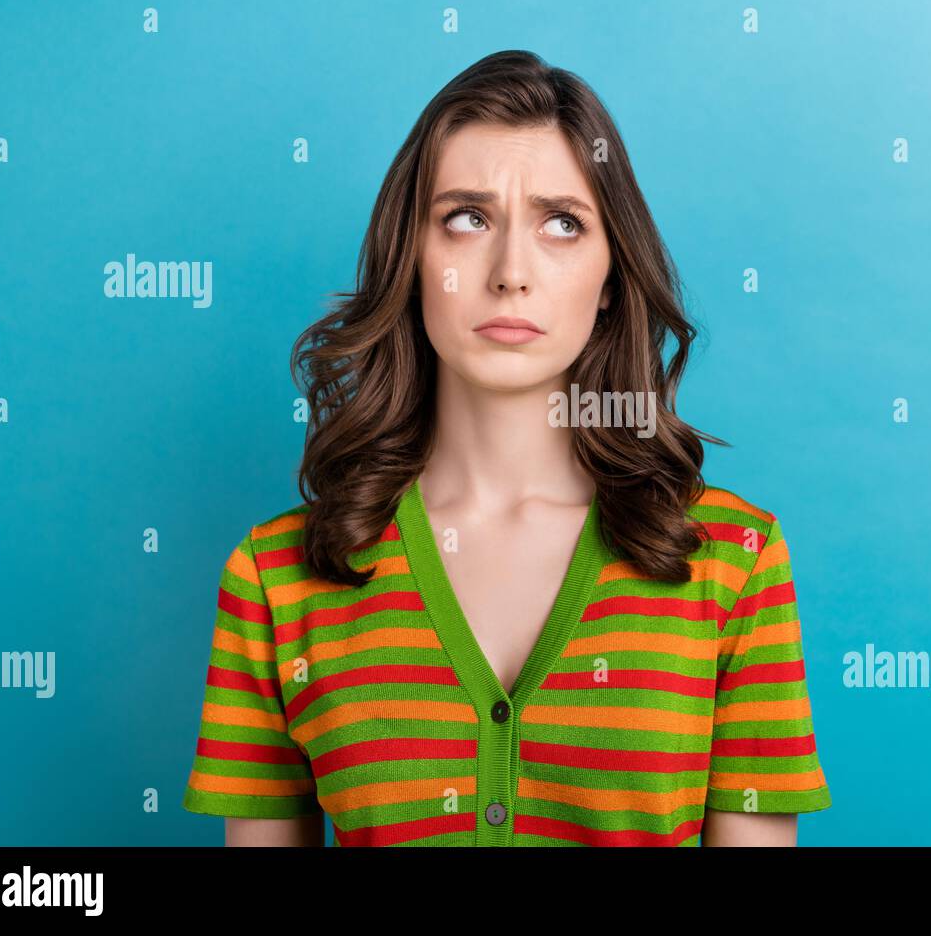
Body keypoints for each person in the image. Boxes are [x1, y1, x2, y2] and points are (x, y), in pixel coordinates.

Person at [182, 49, 831, 847]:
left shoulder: (736, 561)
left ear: (608, 278)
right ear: (410, 261)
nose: (510, 272)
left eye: (563, 223)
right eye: (466, 218)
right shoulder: (275, 577)